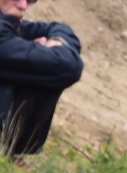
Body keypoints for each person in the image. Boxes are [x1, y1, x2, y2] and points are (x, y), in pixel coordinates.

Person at [0, 0, 82, 159]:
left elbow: (60, 28)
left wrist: (57, 41)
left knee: (43, 70)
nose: (23, 6)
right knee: (47, 72)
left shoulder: (10, 24)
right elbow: (68, 66)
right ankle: (11, 150)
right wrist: (43, 49)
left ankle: (12, 150)